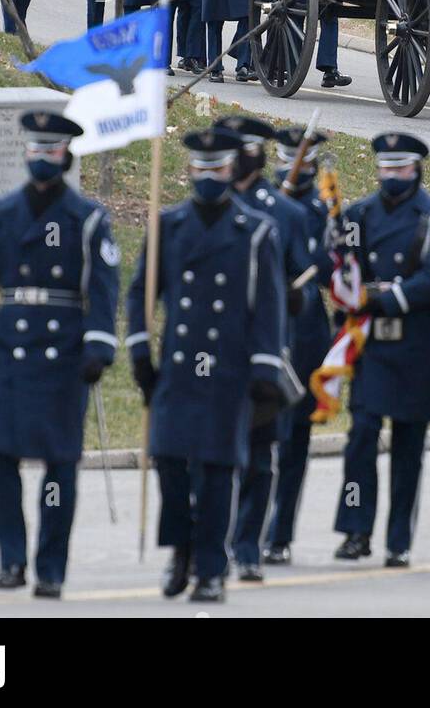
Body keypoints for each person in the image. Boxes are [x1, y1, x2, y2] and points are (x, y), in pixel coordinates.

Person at [0, 111, 119, 598]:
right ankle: (11, 559)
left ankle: (50, 567)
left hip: (63, 351)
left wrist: (98, 345)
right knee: (1, 455)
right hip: (11, 346)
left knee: (58, 462)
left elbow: (104, 290)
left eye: (51, 150)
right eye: (35, 148)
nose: (41, 158)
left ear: (66, 157)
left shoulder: (88, 218)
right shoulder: (1, 212)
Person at [126, 128, 290, 603]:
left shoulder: (256, 231)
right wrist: (140, 349)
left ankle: (212, 567)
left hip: (228, 371)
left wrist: (265, 367)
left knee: (219, 472)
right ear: (188, 169)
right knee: (171, 465)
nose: (208, 176)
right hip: (177, 370)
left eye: (217, 168)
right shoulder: (168, 225)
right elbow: (141, 292)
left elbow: (269, 305)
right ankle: (181, 551)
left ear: (232, 169)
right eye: (200, 167)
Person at [332, 133, 430, 567]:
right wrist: (347, 296)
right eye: (385, 168)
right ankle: (355, 530)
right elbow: (342, 268)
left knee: (408, 450)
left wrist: (385, 297)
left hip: (416, 345)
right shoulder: (357, 214)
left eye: (399, 168)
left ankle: (399, 539)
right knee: (361, 438)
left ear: (416, 169)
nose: (391, 176)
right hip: (371, 346)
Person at [215, 115, 312, 582]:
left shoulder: (286, 213)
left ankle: (250, 545)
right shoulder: (206, 206)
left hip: (265, 348)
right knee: (210, 452)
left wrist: (297, 295)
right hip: (213, 349)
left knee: (258, 453)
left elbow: (306, 280)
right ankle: (211, 539)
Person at [263, 124, 336, 566]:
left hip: (305, 335)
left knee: (293, 443)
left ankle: (280, 534)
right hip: (258, 332)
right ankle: (240, 529)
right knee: (250, 440)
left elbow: (332, 273)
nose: (295, 167)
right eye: (289, 159)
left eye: (302, 161)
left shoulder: (323, 209)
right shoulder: (257, 202)